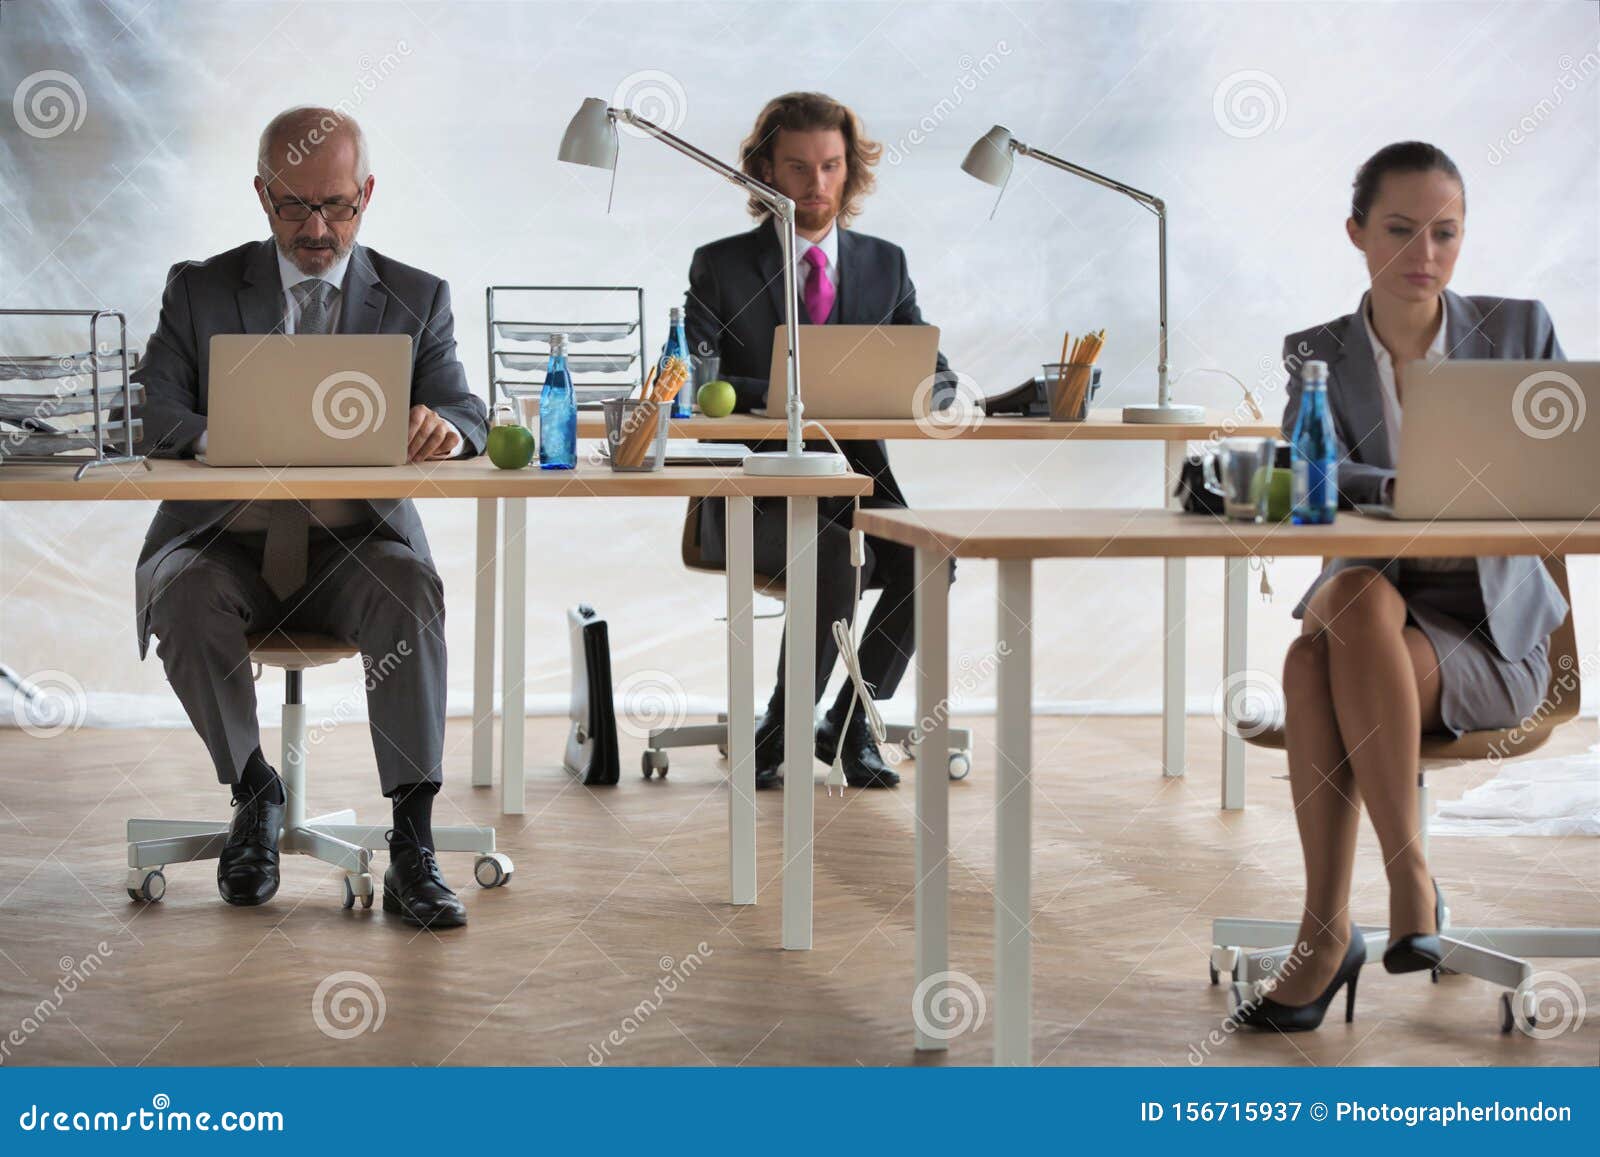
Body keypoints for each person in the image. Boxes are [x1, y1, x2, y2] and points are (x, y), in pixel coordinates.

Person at [1235, 142, 1568, 1030]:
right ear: (1356, 231)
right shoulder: (1319, 353)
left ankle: (1328, 932)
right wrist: (1403, 487)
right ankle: (1404, 886)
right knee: (1346, 607)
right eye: (1399, 230)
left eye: (1445, 233)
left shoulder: (1519, 331)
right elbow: (1311, 480)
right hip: (1376, 611)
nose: (1424, 253)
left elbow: (1571, 469)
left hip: (1492, 635)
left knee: (1314, 663)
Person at [130, 106, 488, 928]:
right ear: (262, 194)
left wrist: (446, 426)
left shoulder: (415, 295)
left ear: (367, 194)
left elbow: (466, 406)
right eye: (295, 206)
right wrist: (227, 438)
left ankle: (412, 840)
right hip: (222, 540)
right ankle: (254, 787)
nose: (318, 228)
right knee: (181, 591)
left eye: (338, 205)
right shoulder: (201, 288)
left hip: (352, 545)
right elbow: (151, 408)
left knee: (409, 585)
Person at [684, 91, 954, 790]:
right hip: (757, 492)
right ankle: (783, 722)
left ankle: (851, 723)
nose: (816, 186)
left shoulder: (885, 264)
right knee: (837, 557)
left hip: (861, 483)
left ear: (850, 171)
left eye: (832, 167)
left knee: (931, 559)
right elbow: (701, 380)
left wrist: (950, 394)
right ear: (766, 172)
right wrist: (779, 390)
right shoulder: (719, 265)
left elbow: (930, 369)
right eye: (798, 168)